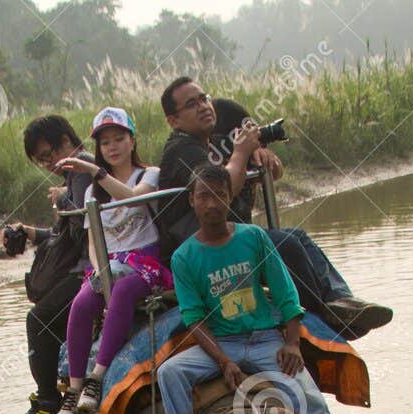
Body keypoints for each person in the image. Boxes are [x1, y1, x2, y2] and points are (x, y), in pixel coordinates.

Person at [155, 76, 391, 340]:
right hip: (201, 247)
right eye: (191, 104)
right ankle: (319, 320)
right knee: (286, 245)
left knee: (297, 236)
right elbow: (222, 191)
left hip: (224, 235)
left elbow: (274, 171)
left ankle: (340, 300)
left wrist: (260, 154)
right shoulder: (182, 150)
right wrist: (241, 153)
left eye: (203, 98)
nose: (203, 106)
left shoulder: (212, 144)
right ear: (173, 121)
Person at [157, 164, 336, 414]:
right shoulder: (183, 257)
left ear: (230, 197)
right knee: (168, 372)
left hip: (264, 339)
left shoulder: (253, 237)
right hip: (222, 342)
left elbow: (284, 292)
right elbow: (194, 318)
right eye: (203, 196)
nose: (211, 204)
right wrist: (224, 361)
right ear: (192, 200)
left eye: (219, 195)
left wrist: (292, 343)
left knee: (312, 402)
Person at [51, 107, 173, 414]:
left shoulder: (149, 174)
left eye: (119, 139)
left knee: (121, 293)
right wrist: (99, 270)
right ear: (99, 149)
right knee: (81, 304)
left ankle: (98, 374)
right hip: (110, 262)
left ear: (132, 141)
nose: (113, 147)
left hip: (144, 261)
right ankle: (75, 387)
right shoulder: (94, 192)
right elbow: (94, 240)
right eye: (105, 143)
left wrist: (96, 173)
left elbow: (134, 198)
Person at [4, 116, 96, 414]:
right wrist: (29, 232)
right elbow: (62, 235)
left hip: (90, 268)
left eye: (51, 154)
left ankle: (46, 399)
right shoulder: (73, 173)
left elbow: (87, 220)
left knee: (38, 320)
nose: (50, 163)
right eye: (42, 160)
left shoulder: (82, 165)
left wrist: (63, 199)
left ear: (68, 141)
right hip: (81, 264)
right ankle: (62, 378)